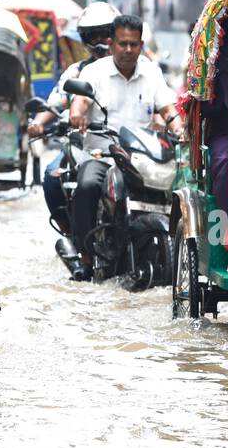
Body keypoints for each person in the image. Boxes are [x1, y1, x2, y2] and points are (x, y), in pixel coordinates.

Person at [66, 14, 181, 281]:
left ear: (141, 45)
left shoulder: (151, 71)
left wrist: (179, 129)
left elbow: (168, 109)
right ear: (111, 44)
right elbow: (80, 103)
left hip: (140, 158)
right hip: (102, 154)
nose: (128, 50)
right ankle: (85, 258)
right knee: (86, 186)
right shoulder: (94, 72)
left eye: (133, 44)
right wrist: (78, 115)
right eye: (122, 44)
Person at [25, 1, 119, 234]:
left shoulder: (137, 67)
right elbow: (57, 100)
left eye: (105, 33)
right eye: (93, 35)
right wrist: (38, 123)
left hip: (124, 145)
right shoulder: (77, 72)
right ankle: (72, 235)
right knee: (52, 177)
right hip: (85, 145)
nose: (100, 41)